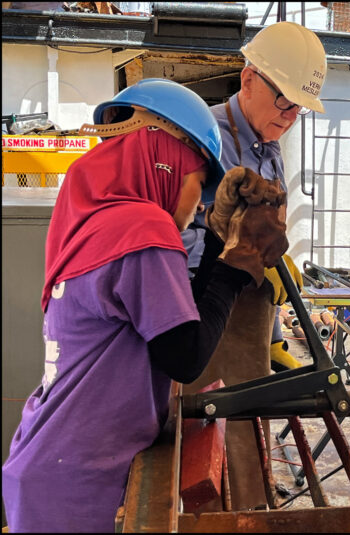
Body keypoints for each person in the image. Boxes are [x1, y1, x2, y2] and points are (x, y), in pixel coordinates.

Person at [1, 78, 289, 532]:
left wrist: (216, 243)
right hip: (78, 487)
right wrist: (238, 267)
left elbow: (172, 320)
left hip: (48, 463)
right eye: (198, 182)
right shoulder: (143, 230)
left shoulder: (97, 218)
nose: (198, 204)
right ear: (167, 162)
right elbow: (185, 356)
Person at [182, 21, 328, 510]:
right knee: (205, 441)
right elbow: (179, 238)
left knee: (249, 438)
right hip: (204, 309)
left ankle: (249, 517)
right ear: (247, 80)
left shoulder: (270, 146)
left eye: (299, 109)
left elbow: (268, 235)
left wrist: (275, 334)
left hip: (251, 318)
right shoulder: (203, 136)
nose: (289, 117)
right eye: (283, 101)